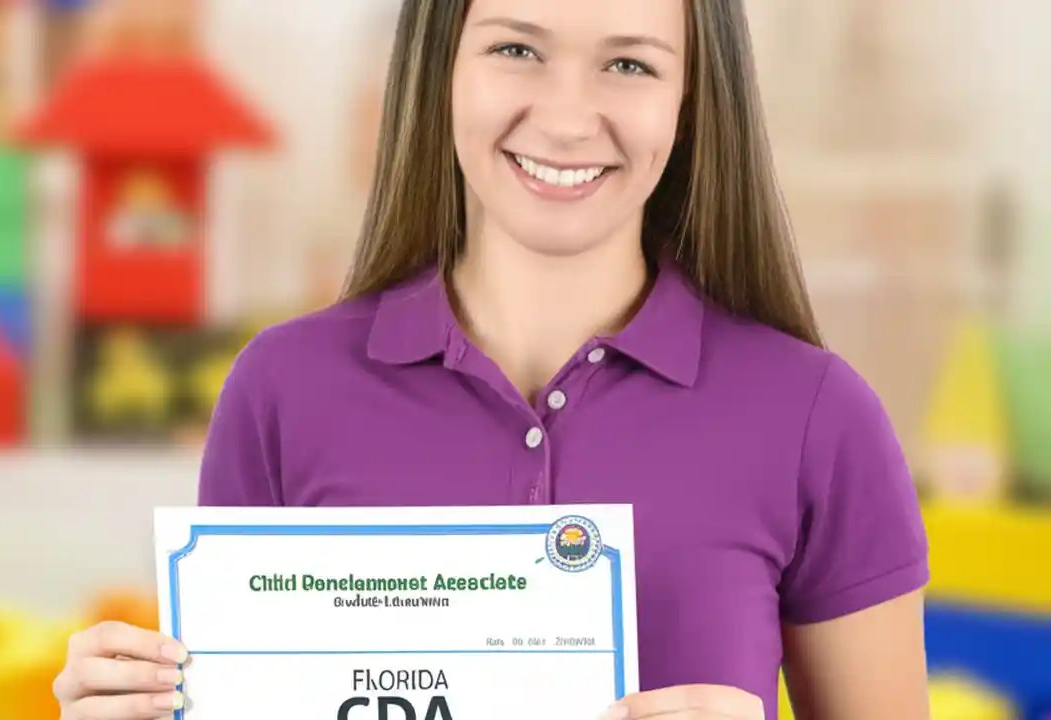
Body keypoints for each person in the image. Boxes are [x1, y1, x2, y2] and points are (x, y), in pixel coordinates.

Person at [53, 0, 931, 718]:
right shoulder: (282, 393)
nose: (564, 117)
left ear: (694, 100)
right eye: (517, 47)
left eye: (630, 64)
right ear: (440, 68)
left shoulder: (818, 416)